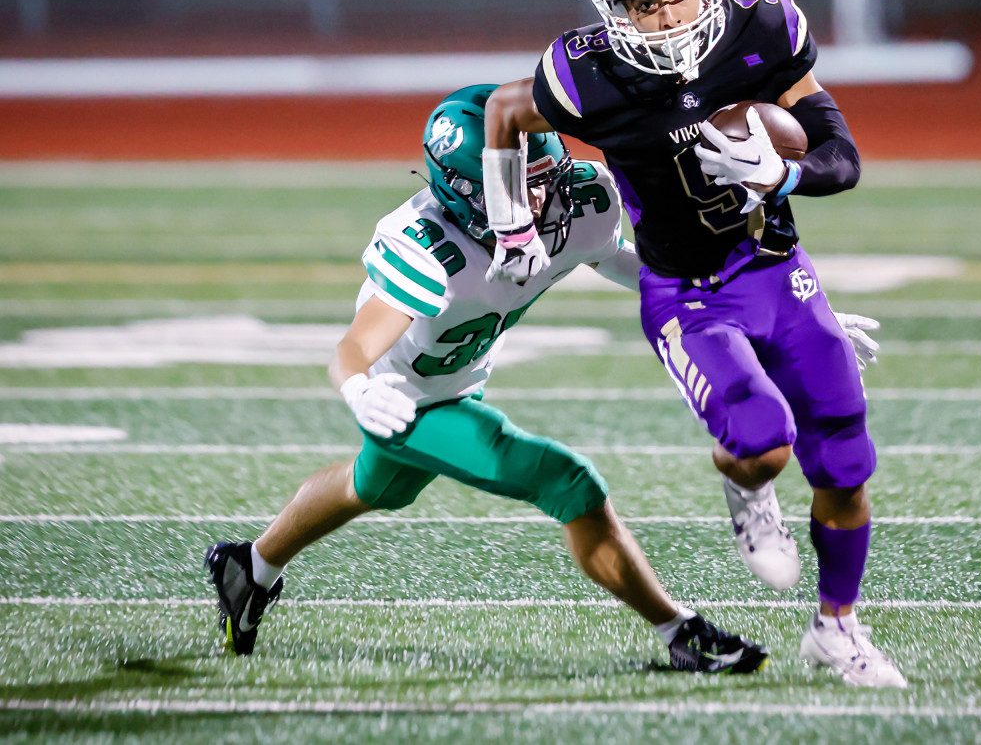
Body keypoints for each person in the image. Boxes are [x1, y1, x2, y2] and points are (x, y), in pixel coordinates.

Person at [480, 0, 906, 687]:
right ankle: (746, 494)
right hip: (686, 292)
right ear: (611, 10)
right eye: (644, 3)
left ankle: (836, 628)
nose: (668, 15)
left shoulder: (765, 28)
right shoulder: (584, 73)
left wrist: (787, 175)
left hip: (780, 273)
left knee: (846, 461)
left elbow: (841, 157)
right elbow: (505, 111)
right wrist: (512, 226)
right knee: (764, 440)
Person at [203, 84, 771, 674]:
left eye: (542, 174)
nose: (539, 195)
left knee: (372, 487)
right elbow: (352, 349)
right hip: (404, 402)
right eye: (514, 182)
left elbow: (625, 261)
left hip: (460, 380)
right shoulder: (428, 248)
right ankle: (680, 632)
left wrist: (744, 304)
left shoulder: (576, 202)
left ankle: (250, 568)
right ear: (465, 192)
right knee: (569, 484)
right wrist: (360, 390)